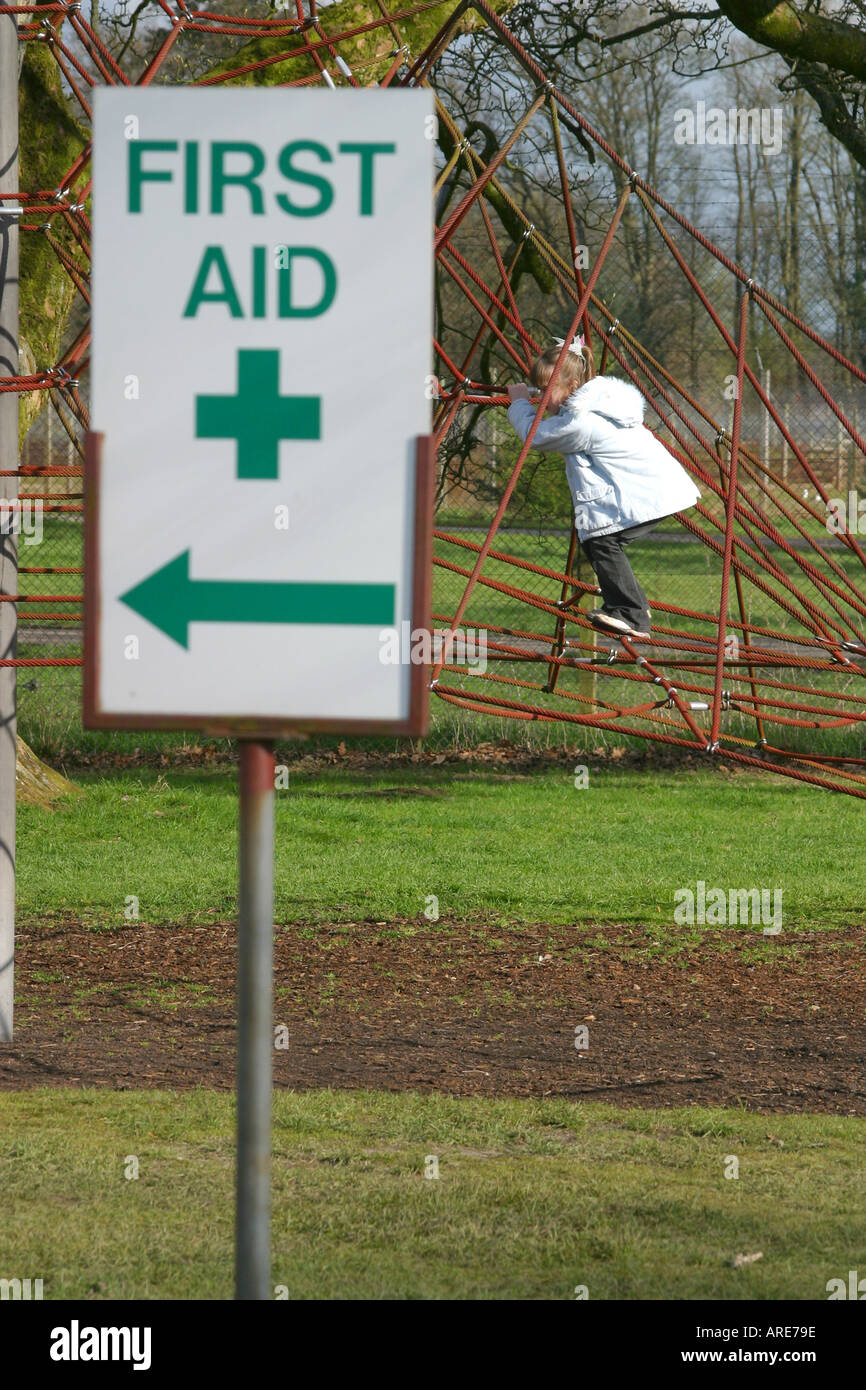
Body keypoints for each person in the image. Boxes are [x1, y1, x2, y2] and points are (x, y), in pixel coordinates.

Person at [506, 338, 700, 638]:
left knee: (601, 541)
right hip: (654, 491)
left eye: (547, 391)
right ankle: (633, 607)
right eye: (537, 392)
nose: (541, 398)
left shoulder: (583, 422)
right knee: (597, 540)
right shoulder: (599, 406)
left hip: (651, 494)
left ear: (572, 386)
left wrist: (519, 403)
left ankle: (631, 614)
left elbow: (538, 436)